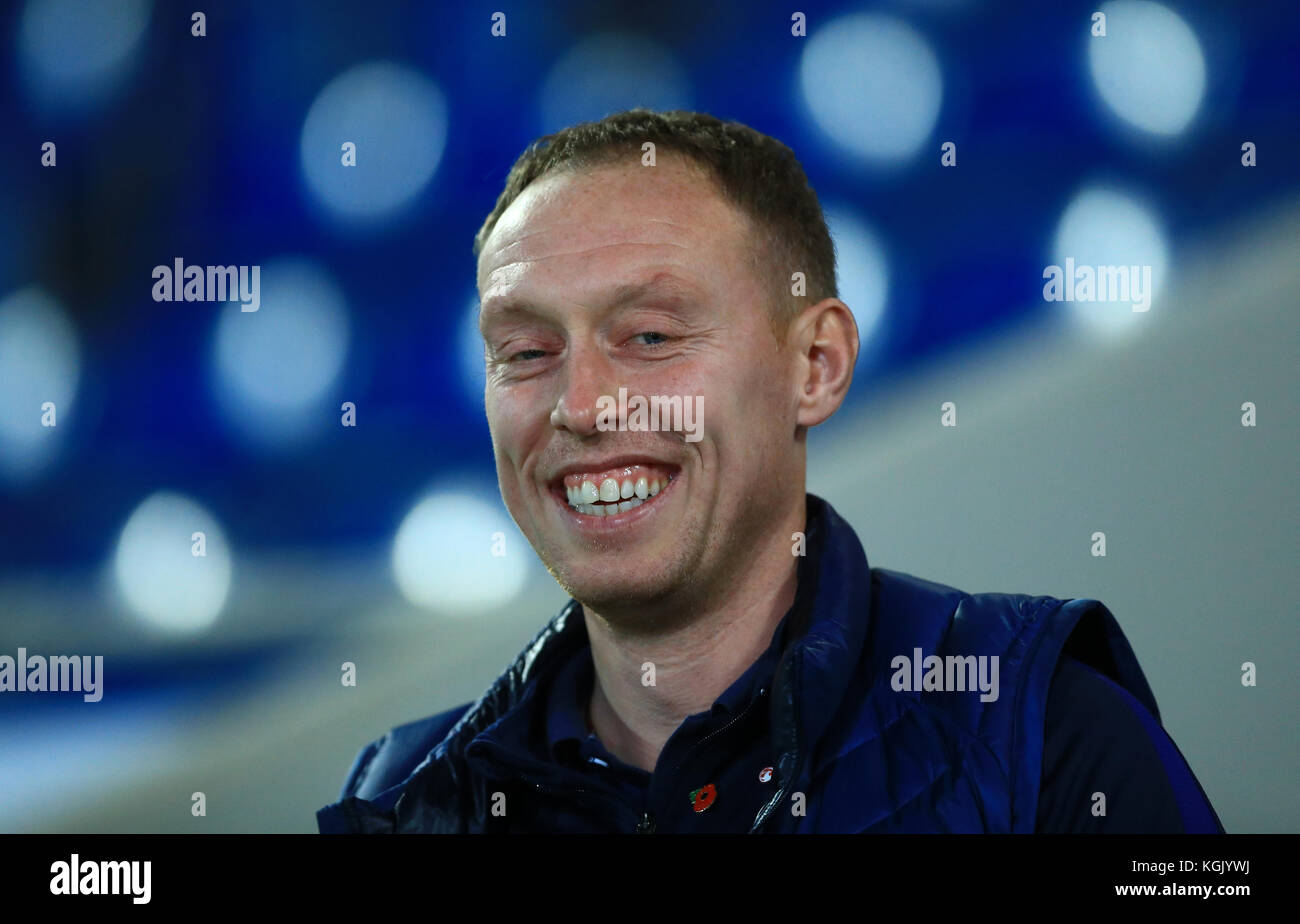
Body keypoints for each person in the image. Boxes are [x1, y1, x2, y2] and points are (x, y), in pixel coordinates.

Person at [317, 109, 1223, 834]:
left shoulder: (1041, 726)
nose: (583, 406)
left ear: (815, 365)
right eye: (524, 351)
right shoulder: (403, 797)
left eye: (651, 336)